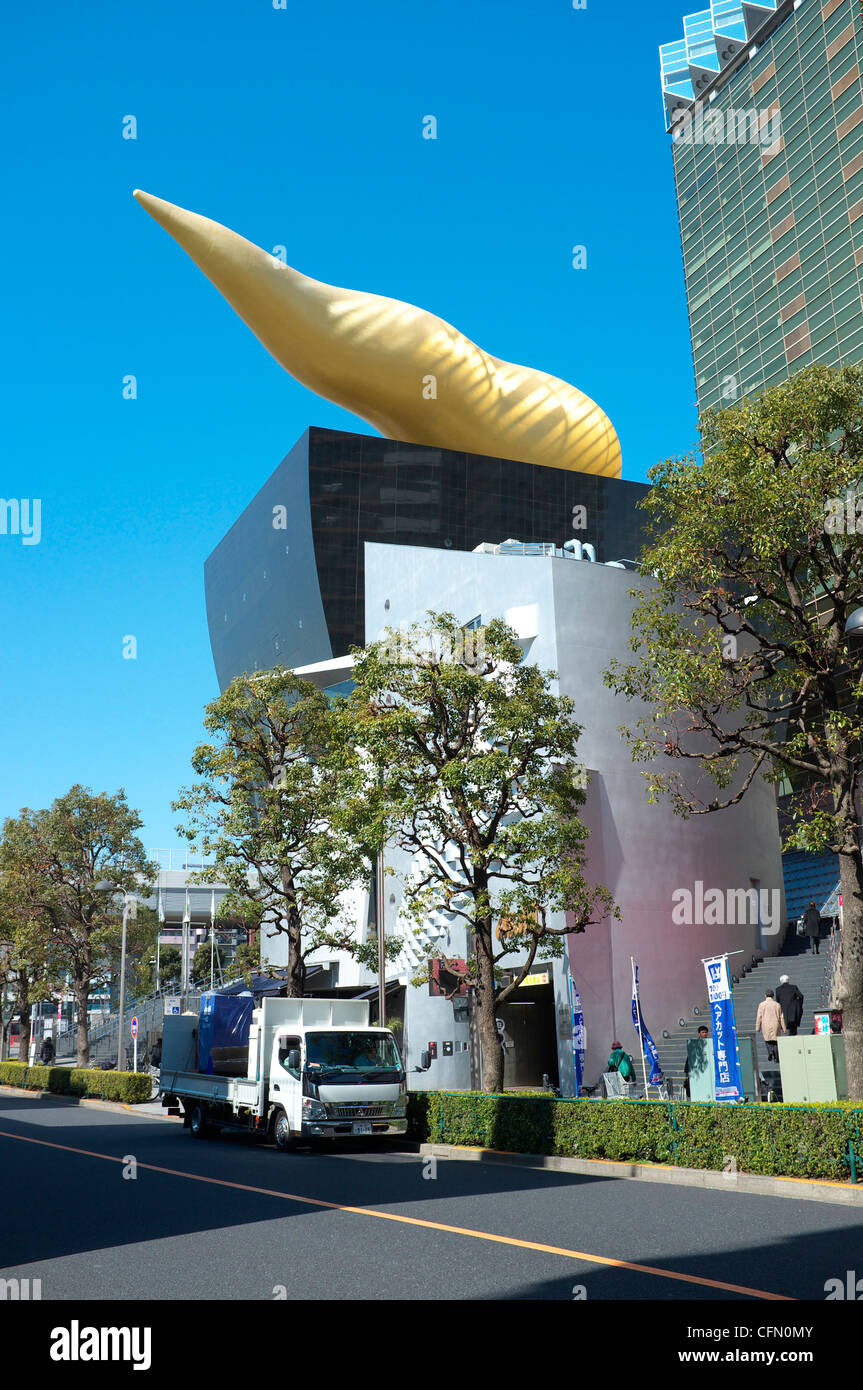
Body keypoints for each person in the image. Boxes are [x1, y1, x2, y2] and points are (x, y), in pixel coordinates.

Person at [755, 989, 786, 1063]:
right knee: (775, 1041)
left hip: (765, 1024)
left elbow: (759, 1016)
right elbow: (781, 1017)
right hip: (776, 1024)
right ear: (773, 996)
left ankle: (770, 1052)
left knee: (767, 1040)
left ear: (765, 996)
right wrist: (784, 1028)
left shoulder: (762, 1004)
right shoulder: (777, 1004)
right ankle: (776, 1057)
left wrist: (758, 1027)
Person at [684, 1025, 710, 1099]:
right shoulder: (694, 1044)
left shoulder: (709, 1043)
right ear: (699, 1034)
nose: (705, 1034)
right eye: (703, 1032)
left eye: (706, 1032)